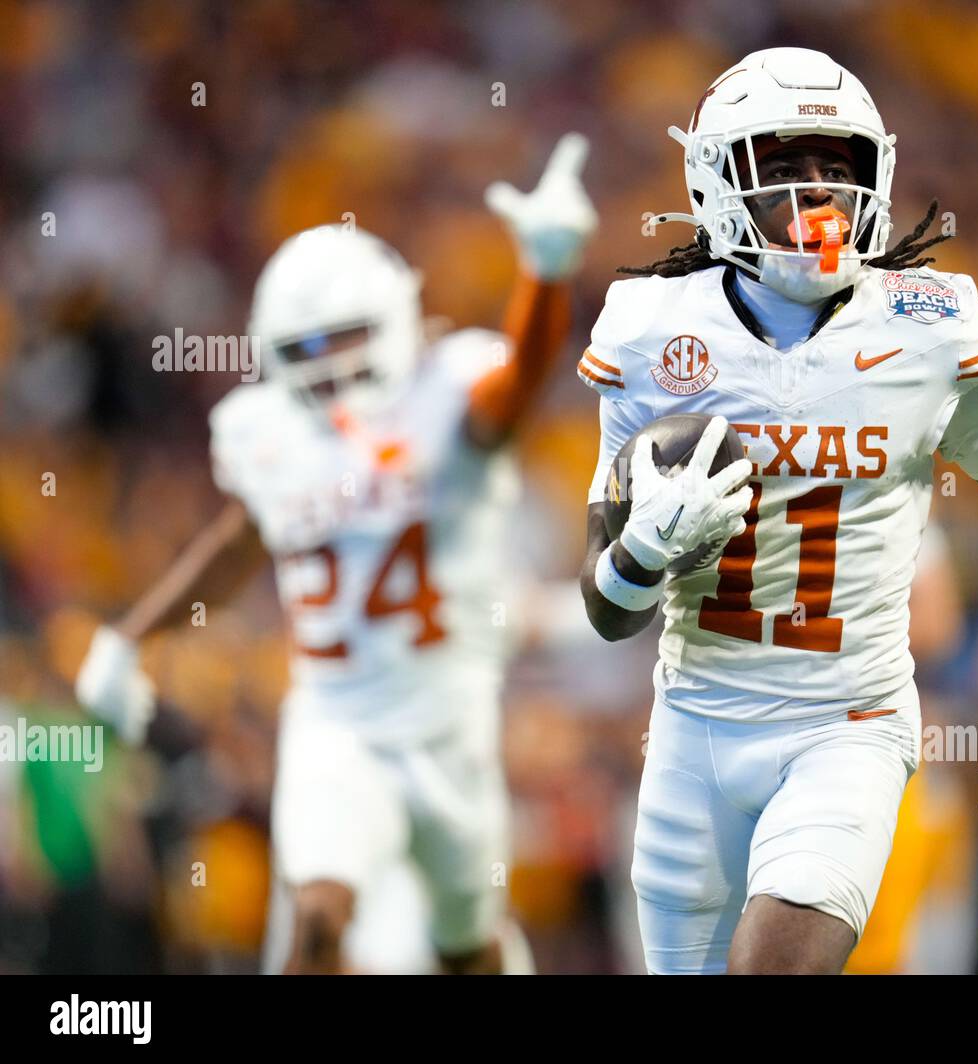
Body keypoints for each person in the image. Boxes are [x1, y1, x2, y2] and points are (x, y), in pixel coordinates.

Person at [577, 48, 978, 975]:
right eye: (787, 168)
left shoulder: (926, 328)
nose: (819, 196)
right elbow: (605, 611)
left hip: (847, 727)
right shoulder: (652, 334)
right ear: (720, 182)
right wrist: (642, 551)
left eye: (838, 169)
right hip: (692, 729)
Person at [74, 133, 597, 974]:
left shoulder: (446, 394)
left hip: (448, 722)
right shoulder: (268, 434)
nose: (330, 366)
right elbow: (241, 538)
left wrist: (545, 275)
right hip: (336, 719)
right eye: (306, 348)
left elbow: (522, 378)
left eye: (346, 337)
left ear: (393, 319)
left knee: (466, 946)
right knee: (318, 915)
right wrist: (130, 635)